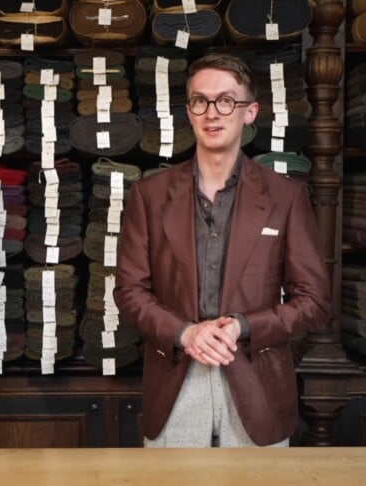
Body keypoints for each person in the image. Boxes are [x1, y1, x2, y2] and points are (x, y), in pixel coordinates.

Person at [114, 53, 331, 448]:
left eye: (226, 100)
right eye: (201, 101)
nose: (213, 112)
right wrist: (184, 333)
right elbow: (129, 292)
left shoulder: (286, 197)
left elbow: (314, 301)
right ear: (190, 112)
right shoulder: (149, 195)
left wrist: (242, 327)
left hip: (257, 383)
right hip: (175, 383)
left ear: (250, 112)